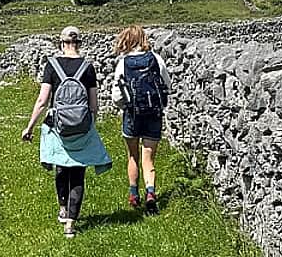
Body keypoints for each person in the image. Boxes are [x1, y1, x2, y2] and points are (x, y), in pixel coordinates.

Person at [22, 26, 112, 238]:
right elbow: (93, 103)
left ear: (61, 43)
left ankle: (63, 207)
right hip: (81, 126)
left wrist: (30, 126)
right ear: (79, 43)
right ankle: (71, 223)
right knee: (78, 172)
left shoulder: (52, 66)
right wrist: (91, 126)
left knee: (62, 168)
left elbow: (43, 100)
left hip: (58, 126)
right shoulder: (88, 67)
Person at [111, 25, 171, 214]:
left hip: (132, 115)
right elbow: (166, 85)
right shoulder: (156, 59)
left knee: (133, 156)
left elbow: (116, 95)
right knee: (149, 158)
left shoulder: (124, 63)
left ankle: (134, 194)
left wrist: (126, 107)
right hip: (153, 113)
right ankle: (151, 193)